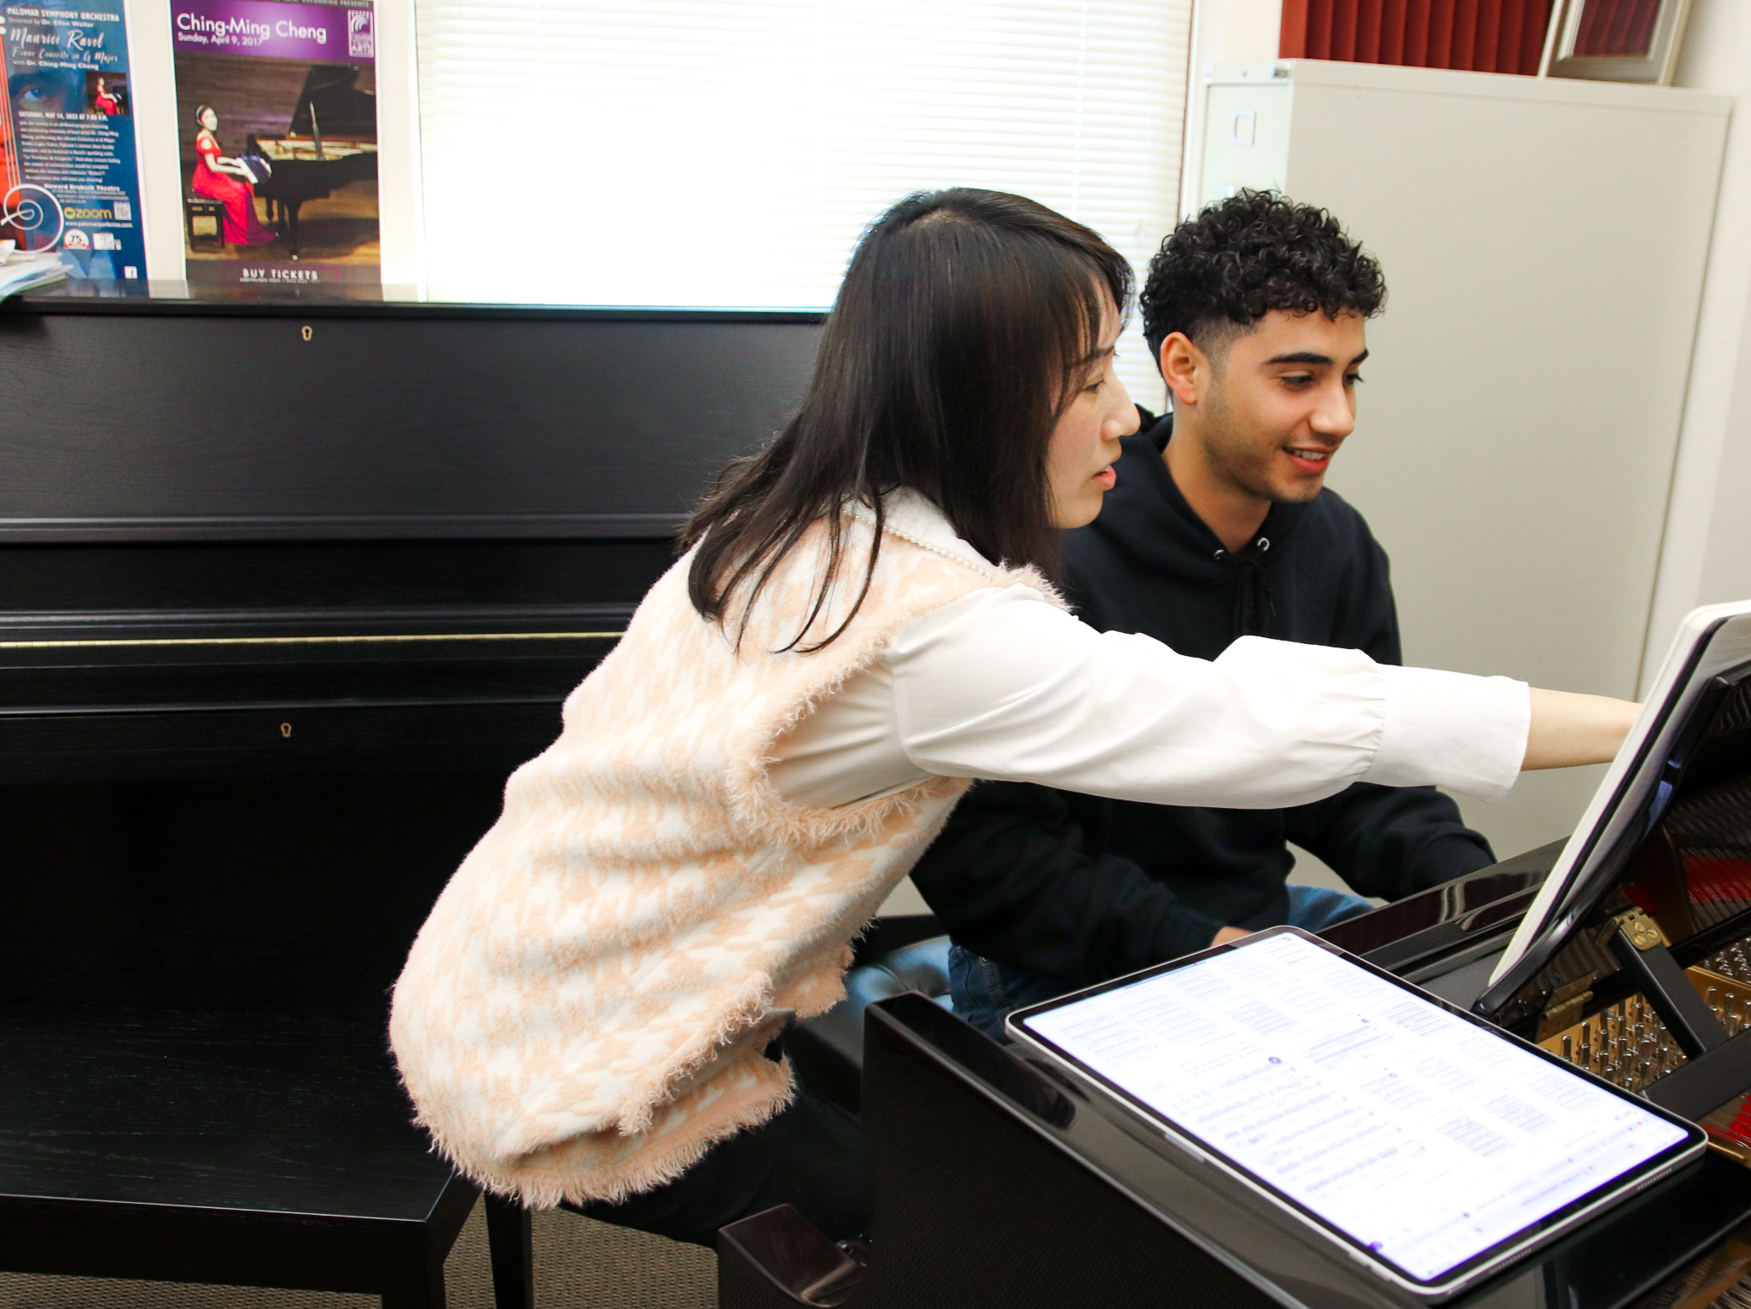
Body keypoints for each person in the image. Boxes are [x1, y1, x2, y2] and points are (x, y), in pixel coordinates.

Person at [387, 188, 1639, 1250]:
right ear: (978, 396)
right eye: (1090, 378)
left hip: (504, 977)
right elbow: (1249, 720)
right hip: (565, 1052)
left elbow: (1335, 765)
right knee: (969, 1256)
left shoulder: (800, 517)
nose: (1126, 414)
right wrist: (1641, 722)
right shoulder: (936, 625)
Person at [919, 190, 1508, 1037]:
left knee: (1488, 1006)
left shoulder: (1337, 543)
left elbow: (1364, 779)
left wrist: (1488, 903)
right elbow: (999, 863)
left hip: (1253, 921)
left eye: (1350, 376)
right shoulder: (1047, 545)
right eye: (1299, 379)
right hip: (1062, 964)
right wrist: (1216, 953)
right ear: (1185, 369)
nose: (1339, 416)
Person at [189, 106, 274, 248]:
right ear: (200, 121)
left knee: (243, 189)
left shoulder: (208, 135)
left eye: (213, 116)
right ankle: (246, 234)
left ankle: (246, 230)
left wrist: (232, 161)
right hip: (206, 181)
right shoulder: (205, 140)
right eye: (207, 118)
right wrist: (236, 170)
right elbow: (213, 166)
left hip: (210, 177)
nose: (212, 120)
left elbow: (214, 158)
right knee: (240, 193)